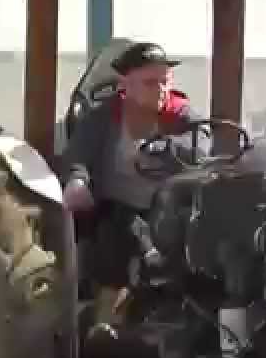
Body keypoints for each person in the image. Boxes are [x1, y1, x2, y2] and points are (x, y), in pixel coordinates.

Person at [58, 41, 198, 340]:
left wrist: (169, 149)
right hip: (117, 207)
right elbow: (78, 156)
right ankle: (105, 321)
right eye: (150, 82)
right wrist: (77, 180)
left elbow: (203, 149)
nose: (160, 90)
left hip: (171, 213)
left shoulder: (182, 117)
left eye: (164, 82)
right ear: (125, 84)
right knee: (115, 235)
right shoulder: (102, 118)